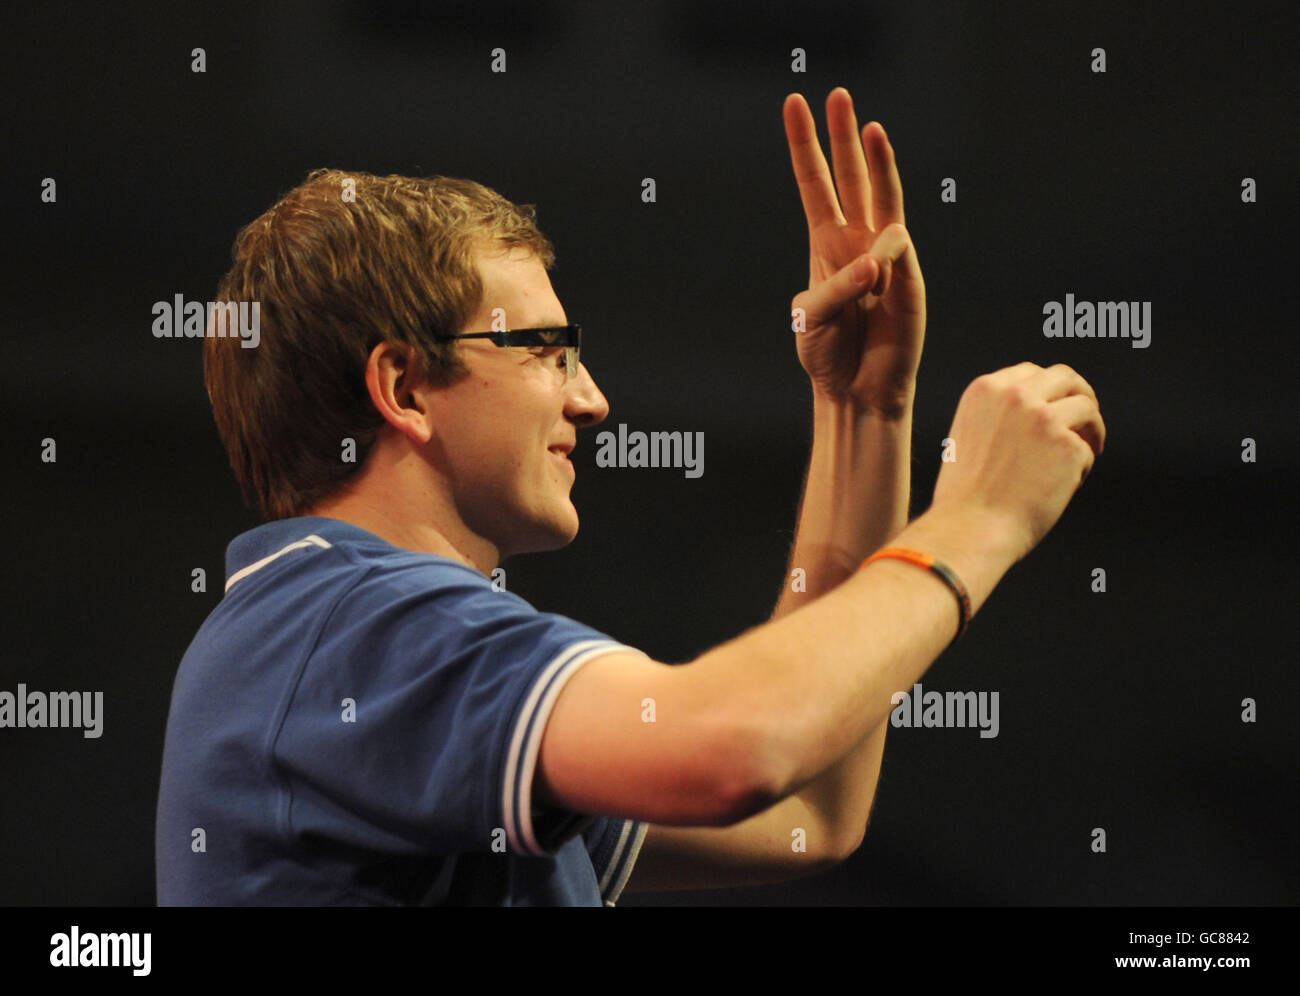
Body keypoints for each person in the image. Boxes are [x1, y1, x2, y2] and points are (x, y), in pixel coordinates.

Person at [156, 86, 1105, 905]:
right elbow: (735, 749)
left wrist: (863, 412)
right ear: (404, 389)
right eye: (546, 351)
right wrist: (983, 518)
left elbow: (807, 812)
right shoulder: (346, 627)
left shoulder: (327, 639)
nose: (591, 399)